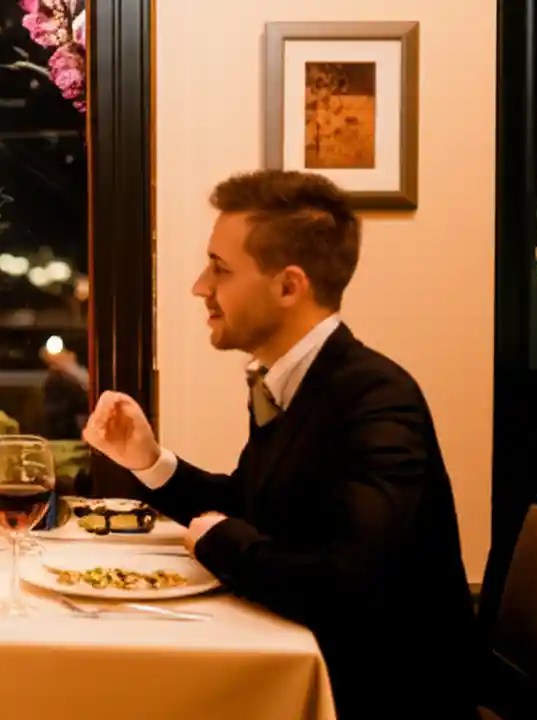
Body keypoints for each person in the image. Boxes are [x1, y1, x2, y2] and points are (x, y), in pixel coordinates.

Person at [82, 171, 478, 718]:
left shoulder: (379, 399)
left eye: (219, 268)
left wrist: (219, 544)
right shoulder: (290, 379)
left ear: (289, 286)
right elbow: (251, 505)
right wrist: (148, 462)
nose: (201, 286)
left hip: (378, 694)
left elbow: (343, 582)